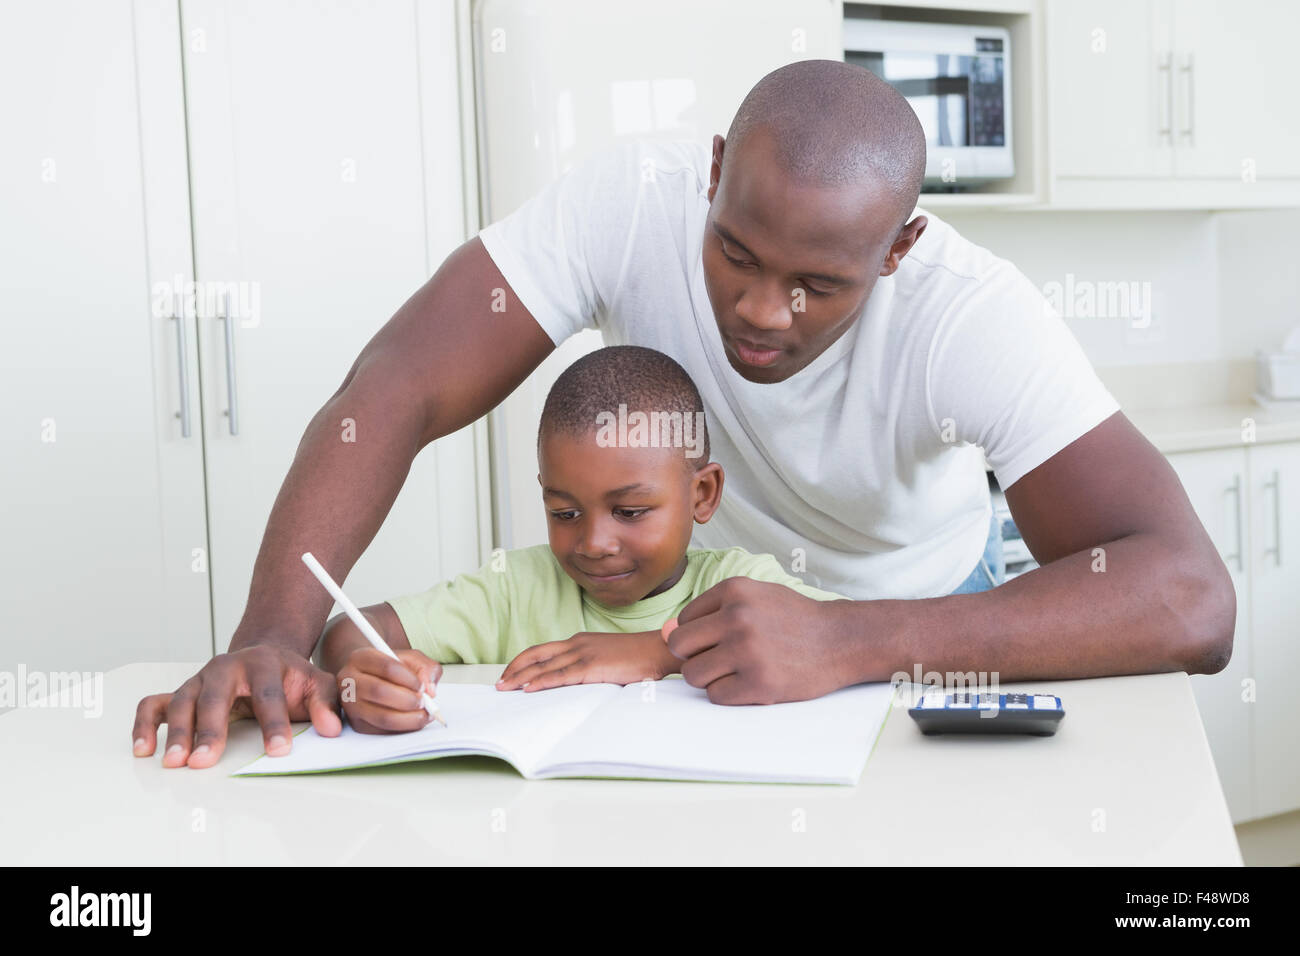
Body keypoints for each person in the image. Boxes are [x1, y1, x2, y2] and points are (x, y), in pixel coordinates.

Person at [133, 59, 1234, 768]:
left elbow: (1188, 596)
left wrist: (850, 639)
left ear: (898, 250)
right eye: (735, 254)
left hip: (922, 620)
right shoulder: (628, 202)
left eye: (818, 285)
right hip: (692, 638)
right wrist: (273, 634)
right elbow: (394, 389)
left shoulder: (971, 318)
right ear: (713, 174)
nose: (760, 313)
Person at [318, 346, 847, 733]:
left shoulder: (740, 587)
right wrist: (372, 674)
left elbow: (847, 641)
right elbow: (348, 631)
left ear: (702, 494)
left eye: (631, 511)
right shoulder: (515, 589)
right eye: (564, 511)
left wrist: (657, 652)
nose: (594, 542)